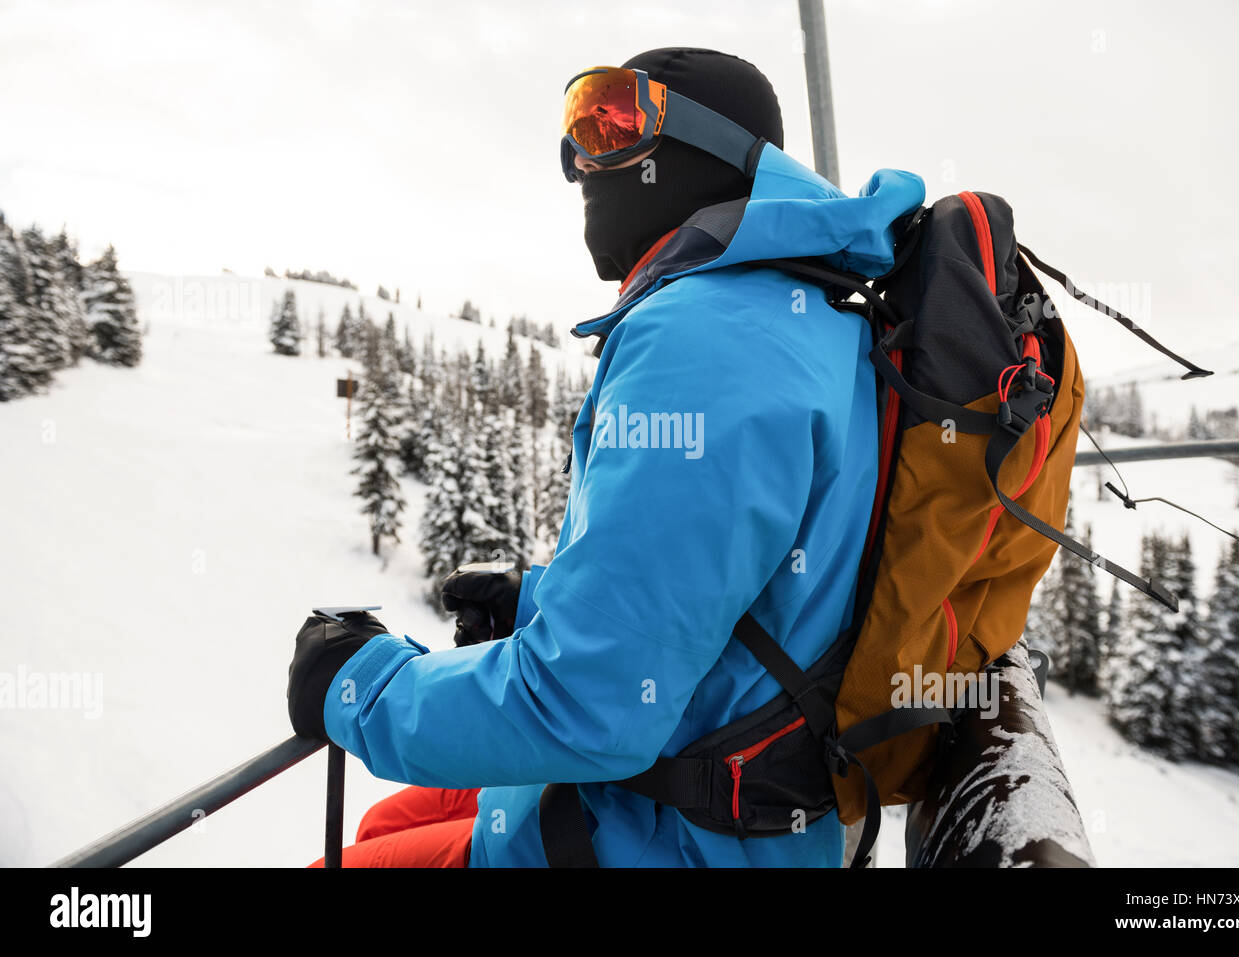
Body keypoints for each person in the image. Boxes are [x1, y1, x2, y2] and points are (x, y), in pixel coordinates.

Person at [287, 47, 925, 867]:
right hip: (724, 779)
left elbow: (585, 710)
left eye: (613, 118)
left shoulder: (705, 337)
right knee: (383, 828)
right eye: (578, 127)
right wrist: (546, 603)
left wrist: (353, 682)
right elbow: (756, 583)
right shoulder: (801, 309)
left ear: (709, 148)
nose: (578, 160)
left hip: (671, 831)